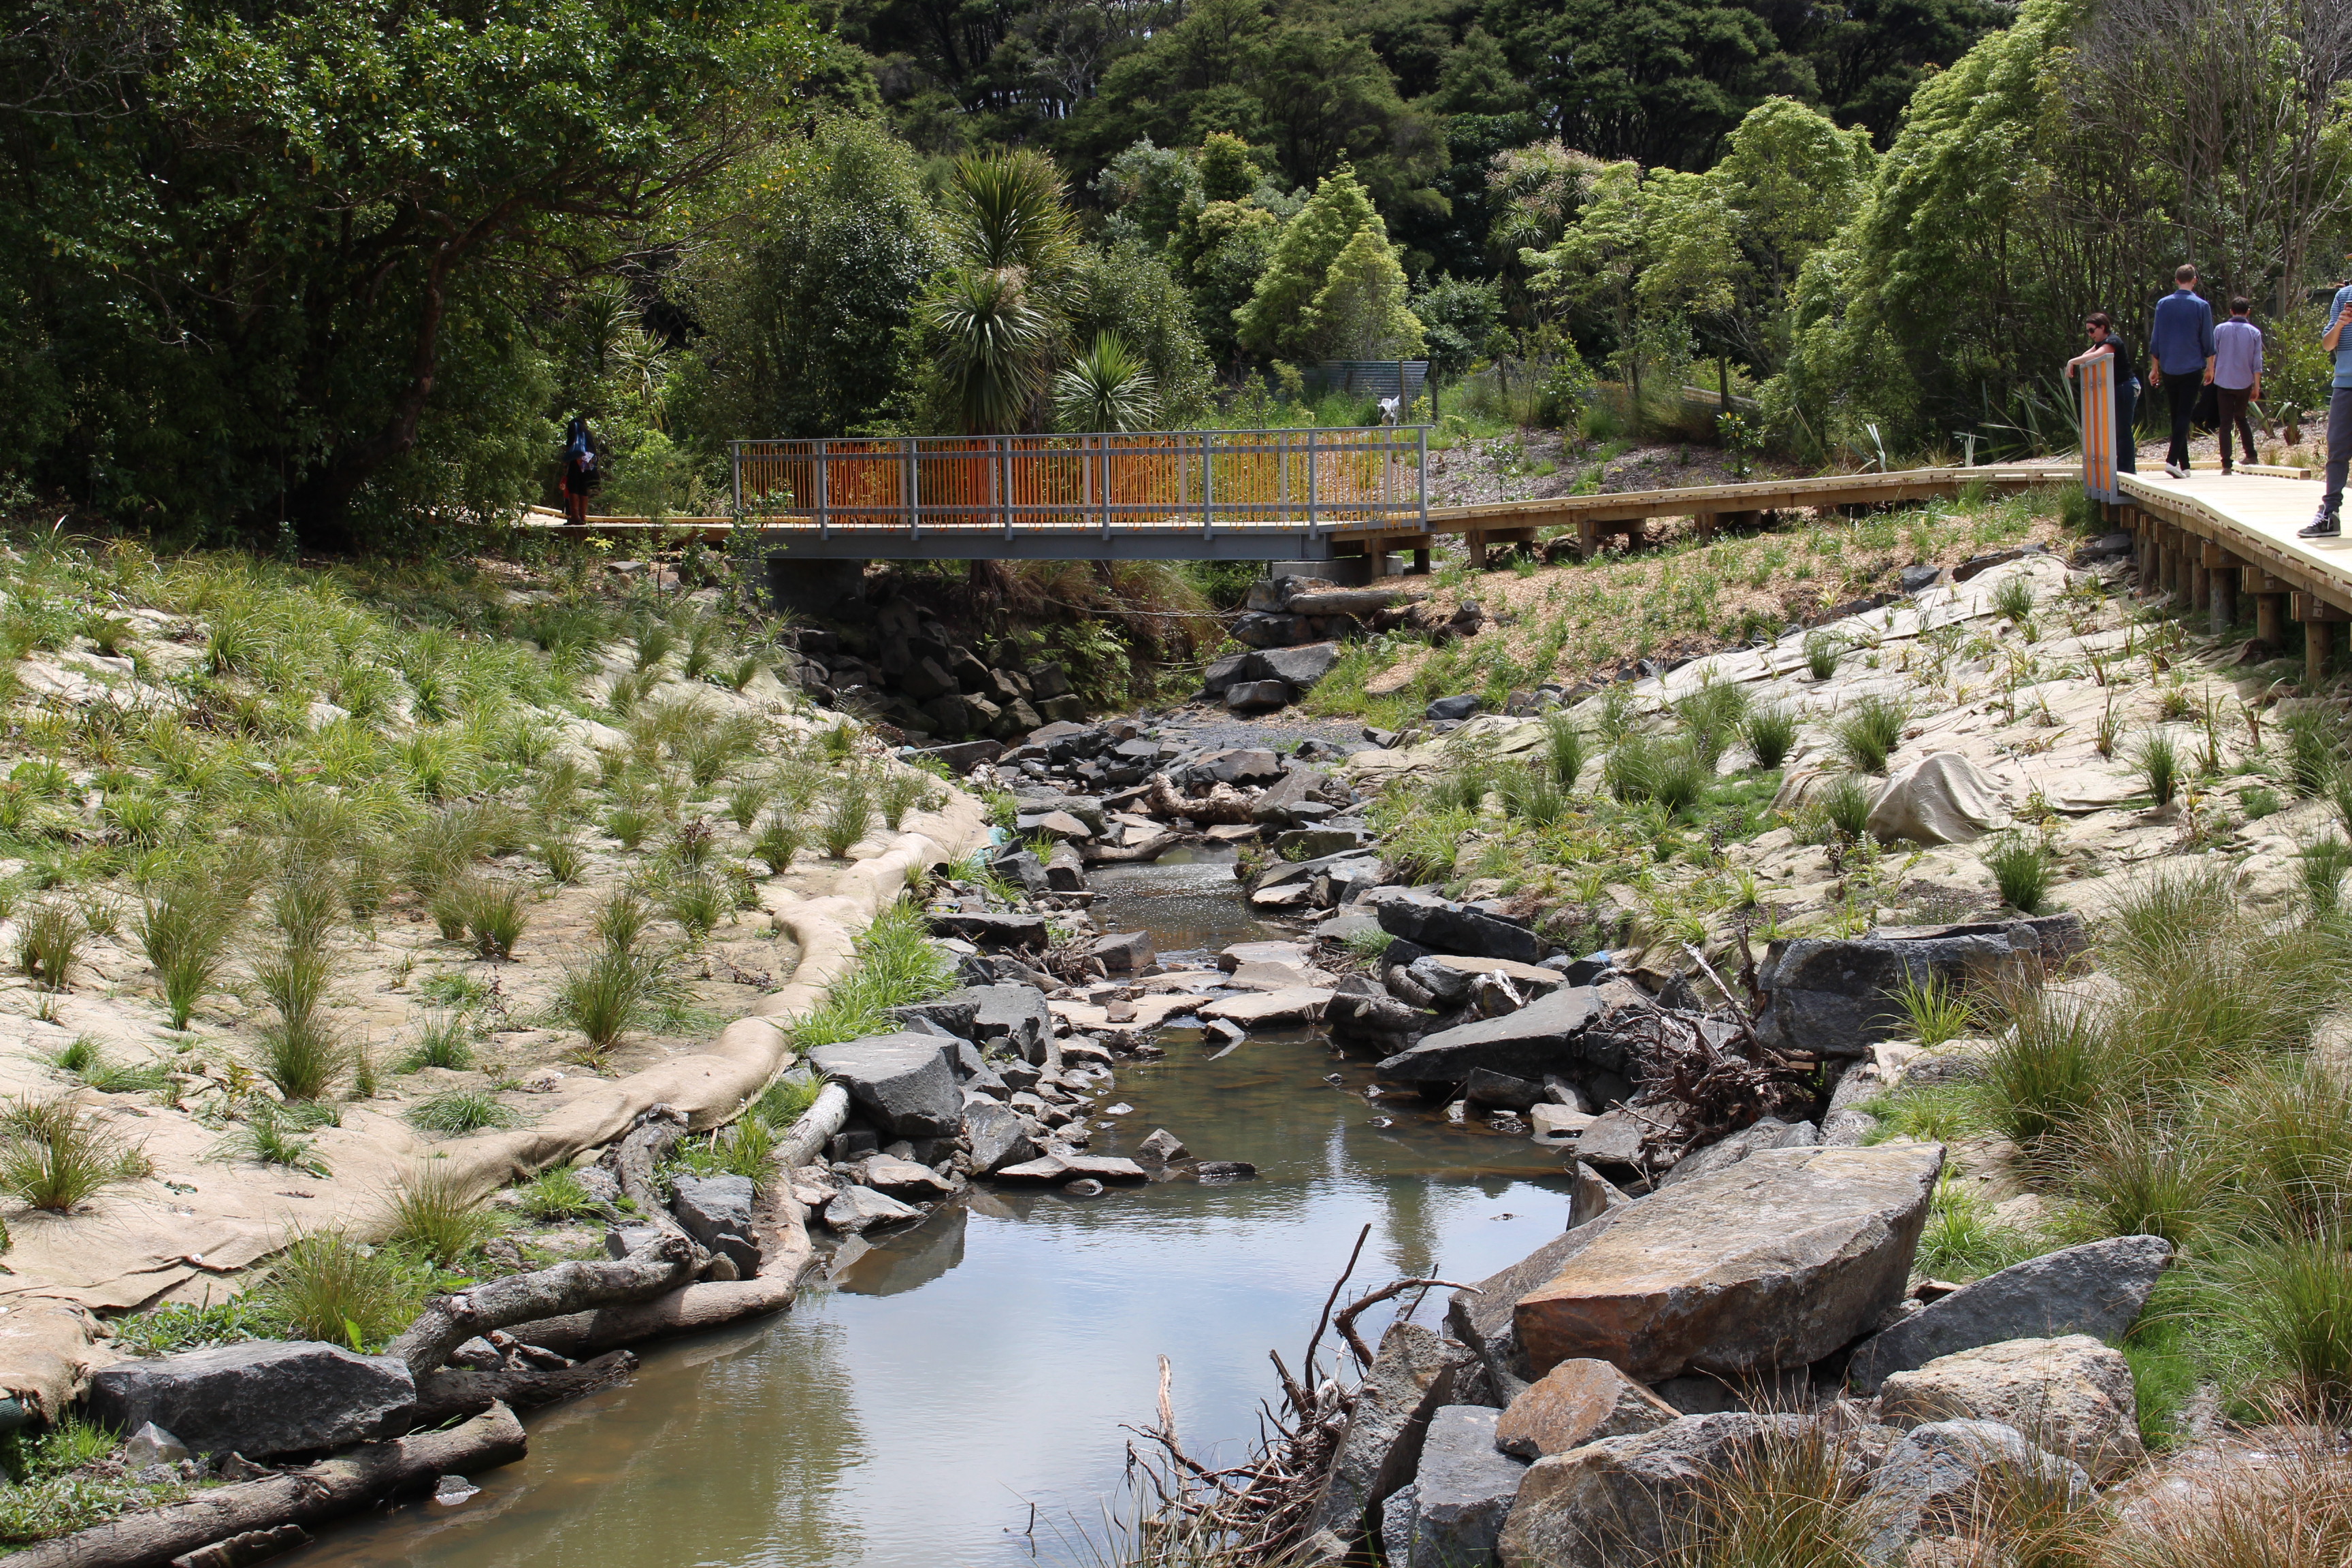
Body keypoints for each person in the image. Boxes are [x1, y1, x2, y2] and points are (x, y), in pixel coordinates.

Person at [2147, 263, 2216, 478]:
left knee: (2176, 413)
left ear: (2177, 280)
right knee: (2185, 414)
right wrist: (2210, 367)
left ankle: (2184, 466)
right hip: (2192, 366)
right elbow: (2208, 339)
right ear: (2194, 280)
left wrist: (2154, 368)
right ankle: (2171, 459)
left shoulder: (2162, 304)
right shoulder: (2201, 306)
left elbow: (2156, 338)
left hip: (2169, 366)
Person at [2300, 272, 2352, 538]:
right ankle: (2329, 515)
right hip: (2345, 385)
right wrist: (2341, 324)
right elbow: (2327, 345)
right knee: (2337, 450)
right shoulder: (2343, 297)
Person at [2064, 312, 2139, 475]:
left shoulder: (2112, 341)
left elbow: (2098, 355)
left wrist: (2071, 362)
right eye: (2087, 332)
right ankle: (2122, 468)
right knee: (2117, 429)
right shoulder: (2102, 342)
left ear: (2102, 327)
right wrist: (2076, 363)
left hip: (2126, 386)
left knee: (2123, 429)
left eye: (2092, 331)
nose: (2090, 335)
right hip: (2117, 388)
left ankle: (2127, 470)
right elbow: (2087, 355)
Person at [2212, 297, 2264, 475]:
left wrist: (2211, 373)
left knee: (2225, 422)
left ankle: (2226, 464)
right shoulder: (2254, 332)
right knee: (2241, 418)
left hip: (2223, 381)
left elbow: (2214, 355)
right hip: (2244, 382)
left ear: (2231, 311)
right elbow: (2257, 362)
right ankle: (2251, 454)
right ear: (2248, 311)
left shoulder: (2219, 330)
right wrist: (2256, 387)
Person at [559, 415, 600, 527]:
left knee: (573, 487)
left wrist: (566, 464)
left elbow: (570, 445)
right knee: (583, 488)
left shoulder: (574, 426)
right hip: (587, 460)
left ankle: (575, 517)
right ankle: (582, 517)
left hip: (576, 459)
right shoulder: (586, 432)